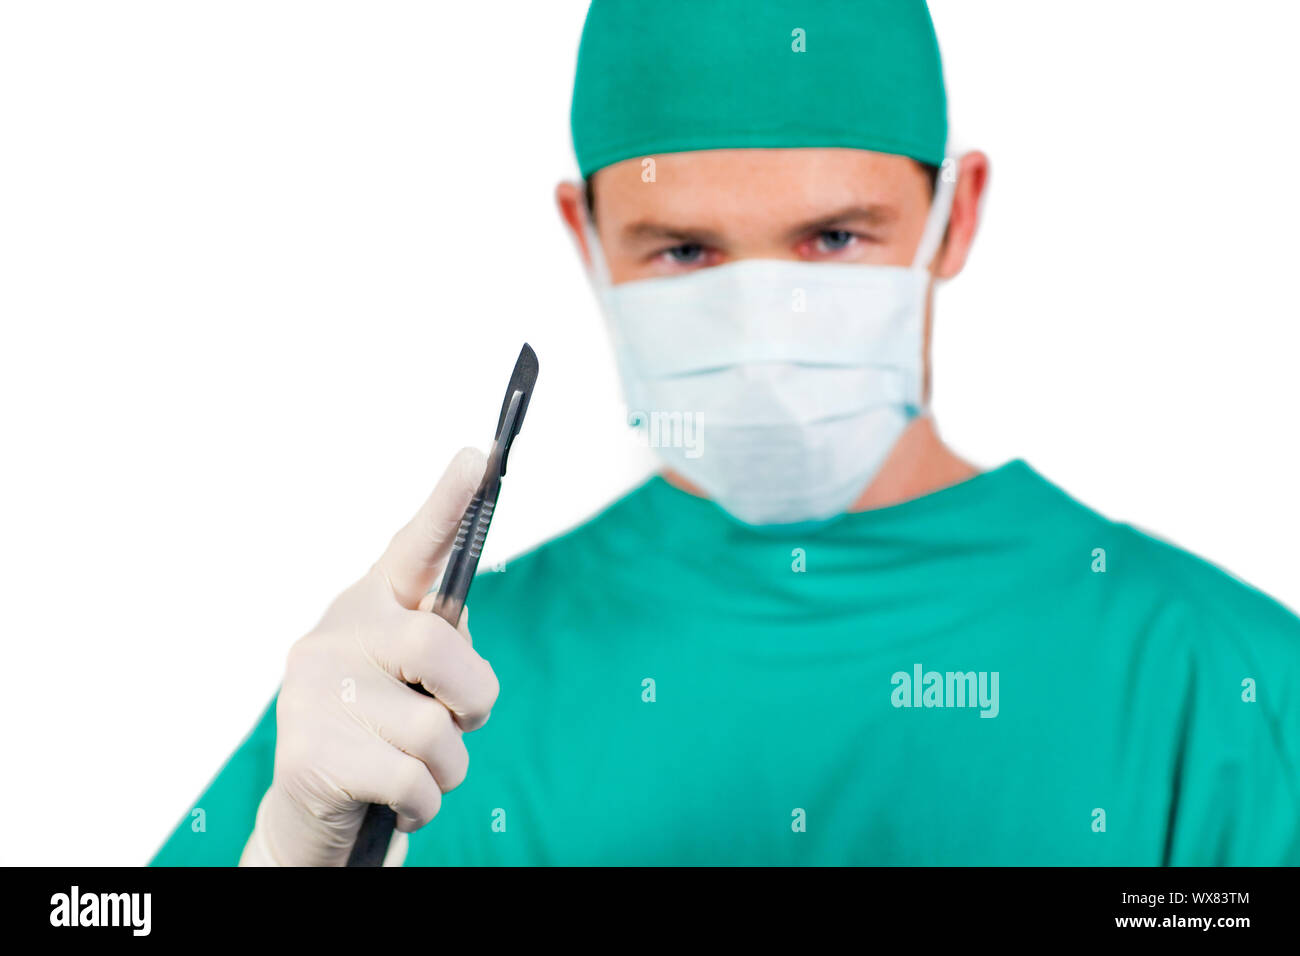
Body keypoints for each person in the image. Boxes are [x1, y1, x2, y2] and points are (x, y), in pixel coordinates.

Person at [152, 0, 1300, 866]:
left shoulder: (1223, 681)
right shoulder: (422, 685)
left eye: (835, 239)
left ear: (958, 215)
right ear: (585, 231)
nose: (766, 326)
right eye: (686, 252)